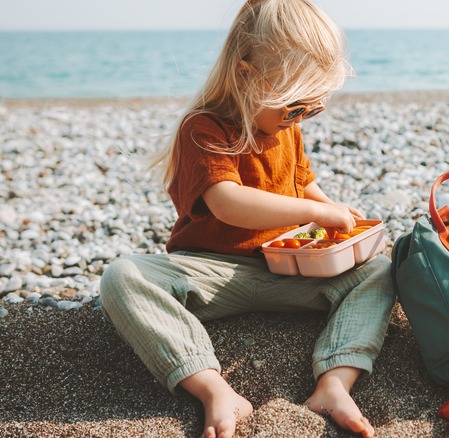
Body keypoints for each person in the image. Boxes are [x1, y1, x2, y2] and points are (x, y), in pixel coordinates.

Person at [99, 1, 395, 437]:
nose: (298, 119)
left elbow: (302, 184)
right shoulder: (204, 128)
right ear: (245, 75)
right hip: (213, 275)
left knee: (381, 270)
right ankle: (211, 387)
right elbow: (228, 202)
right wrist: (315, 211)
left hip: (288, 271)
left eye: (310, 111)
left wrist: (337, 216)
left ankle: (335, 381)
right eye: (294, 107)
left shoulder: (284, 128)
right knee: (122, 275)